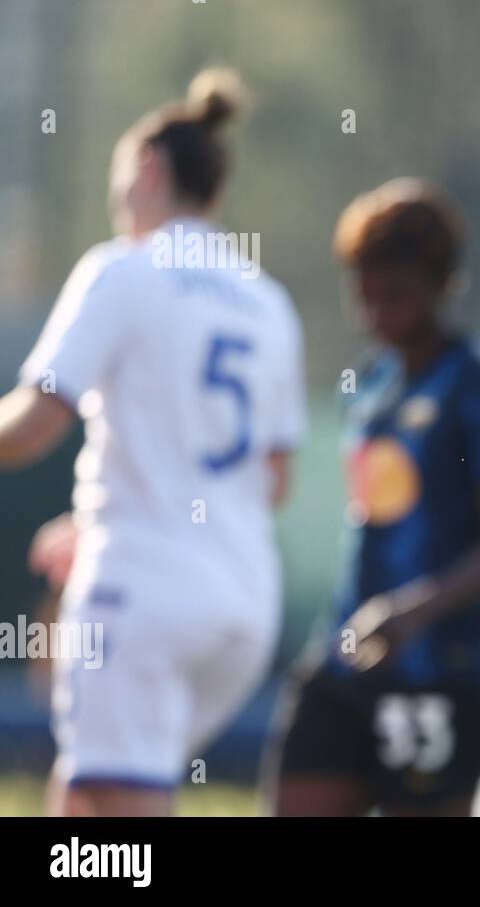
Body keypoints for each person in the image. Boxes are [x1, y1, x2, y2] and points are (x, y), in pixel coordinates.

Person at [0, 68, 306, 816]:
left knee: (119, 826)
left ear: (146, 170)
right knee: (83, 796)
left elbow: (31, 428)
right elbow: (272, 480)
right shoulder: (269, 304)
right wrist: (110, 515)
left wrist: (131, 524)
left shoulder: (122, 271)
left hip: (142, 597)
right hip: (242, 608)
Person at [265, 179, 480, 816]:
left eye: (395, 295)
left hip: (444, 669)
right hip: (346, 656)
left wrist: (408, 613)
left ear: (442, 284)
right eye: (364, 293)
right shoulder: (367, 383)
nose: (375, 313)